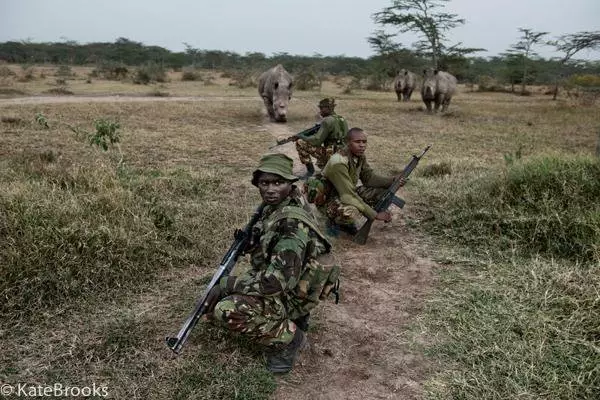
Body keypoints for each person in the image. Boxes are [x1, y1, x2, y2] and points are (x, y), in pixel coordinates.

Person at [203, 153, 339, 374]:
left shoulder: (291, 225)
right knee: (223, 293)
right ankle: (292, 317)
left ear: (290, 183)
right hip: (297, 281)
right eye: (264, 183)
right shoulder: (282, 202)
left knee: (226, 309)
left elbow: (275, 284)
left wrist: (228, 284)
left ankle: (290, 339)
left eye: (278, 182)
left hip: (291, 289)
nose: (270, 189)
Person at [320, 127, 406, 235]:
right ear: (348, 143)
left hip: (345, 192)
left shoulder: (358, 155)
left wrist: (393, 180)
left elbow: (369, 178)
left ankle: (344, 221)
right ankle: (333, 222)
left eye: (364, 142)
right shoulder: (339, 162)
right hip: (330, 199)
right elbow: (348, 196)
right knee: (351, 211)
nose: (362, 145)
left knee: (383, 194)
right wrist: (374, 214)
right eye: (357, 142)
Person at [294, 97, 348, 178]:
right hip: (345, 153)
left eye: (322, 108)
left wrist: (302, 136)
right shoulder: (342, 119)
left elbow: (316, 141)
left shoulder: (327, 121)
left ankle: (310, 171)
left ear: (328, 108)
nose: (320, 111)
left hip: (332, 154)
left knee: (300, 142)